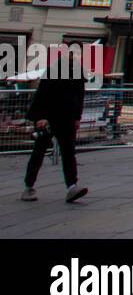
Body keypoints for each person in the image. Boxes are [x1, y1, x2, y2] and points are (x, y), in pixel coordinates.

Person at [21, 45, 88, 203]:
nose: (75, 56)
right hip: (49, 119)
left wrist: (77, 117)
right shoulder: (53, 70)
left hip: (67, 118)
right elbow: (42, 94)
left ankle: (72, 186)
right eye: (73, 53)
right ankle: (29, 186)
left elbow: (80, 96)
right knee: (39, 152)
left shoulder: (79, 72)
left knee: (69, 153)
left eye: (78, 53)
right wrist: (41, 116)